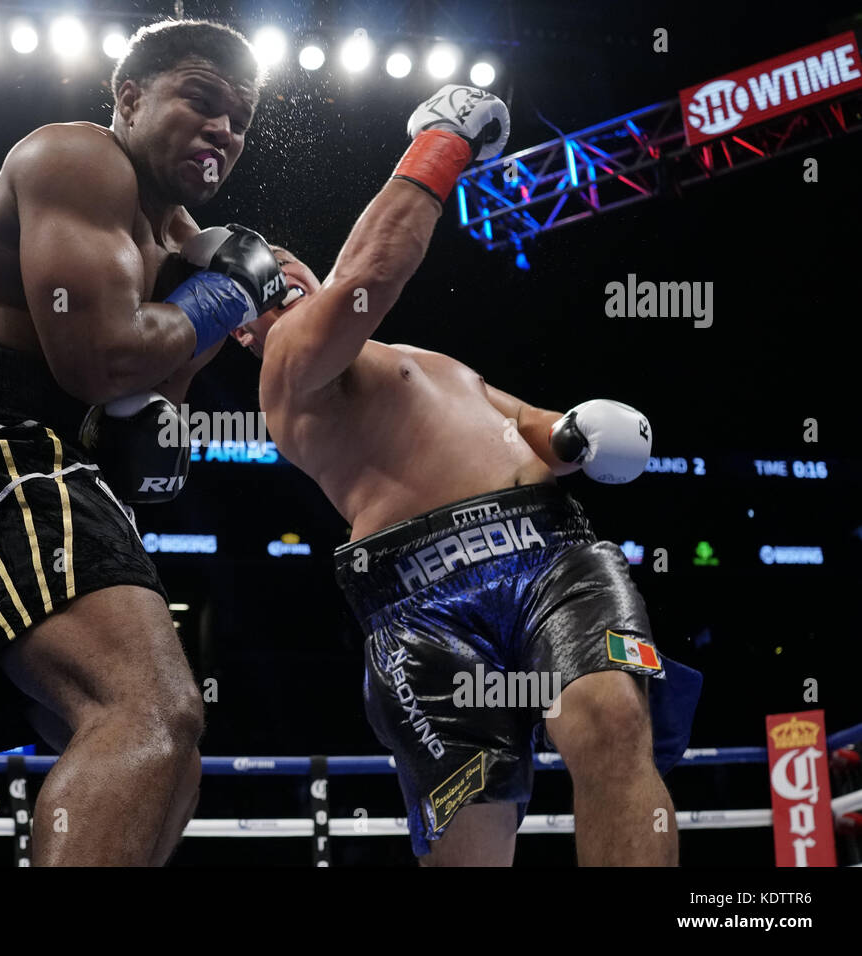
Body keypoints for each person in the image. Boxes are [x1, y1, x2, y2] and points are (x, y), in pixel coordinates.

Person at [237, 85, 701, 865]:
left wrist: (576, 435)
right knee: (473, 829)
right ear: (242, 327)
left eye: (285, 263)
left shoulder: (430, 364)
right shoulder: (288, 371)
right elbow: (371, 275)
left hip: (556, 557)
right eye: (257, 281)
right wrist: (442, 144)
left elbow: (520, 422)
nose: (277, 273)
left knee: (616, 726)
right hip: (421, 605)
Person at [0, 20, 288, 865]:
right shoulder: (78, 157)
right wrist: (226, 293)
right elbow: (99, 358)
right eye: (201, 101)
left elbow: (141, 427)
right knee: (149, 711)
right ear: (130, 97)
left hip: (56, 463)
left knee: (171, 761)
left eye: (239, 119)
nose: (223, 131)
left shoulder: (174, 243)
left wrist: (223, 293)